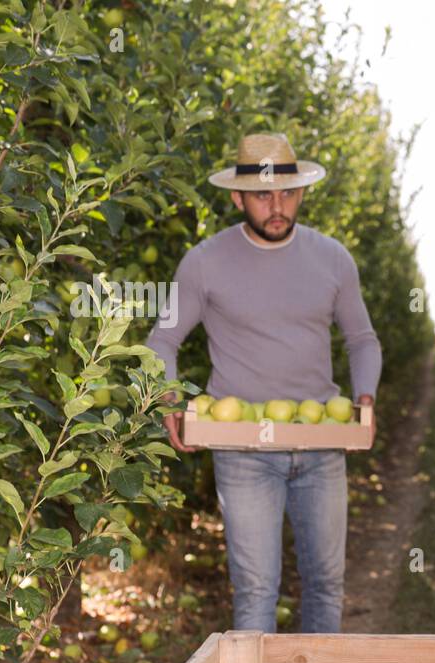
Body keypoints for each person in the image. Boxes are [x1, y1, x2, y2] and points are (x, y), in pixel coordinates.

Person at [147, 132, 382, 633]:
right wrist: (167, 398)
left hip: (321, 444)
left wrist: (365, 397)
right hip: (243, 452)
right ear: (237, 197)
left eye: (287, 193)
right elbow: (161, 340)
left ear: (301, 193)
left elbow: (362, 339)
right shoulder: (204, 262)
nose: (277, 207)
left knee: (325, 584)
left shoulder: (333, 258)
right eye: (262, 195)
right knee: (256, 589)